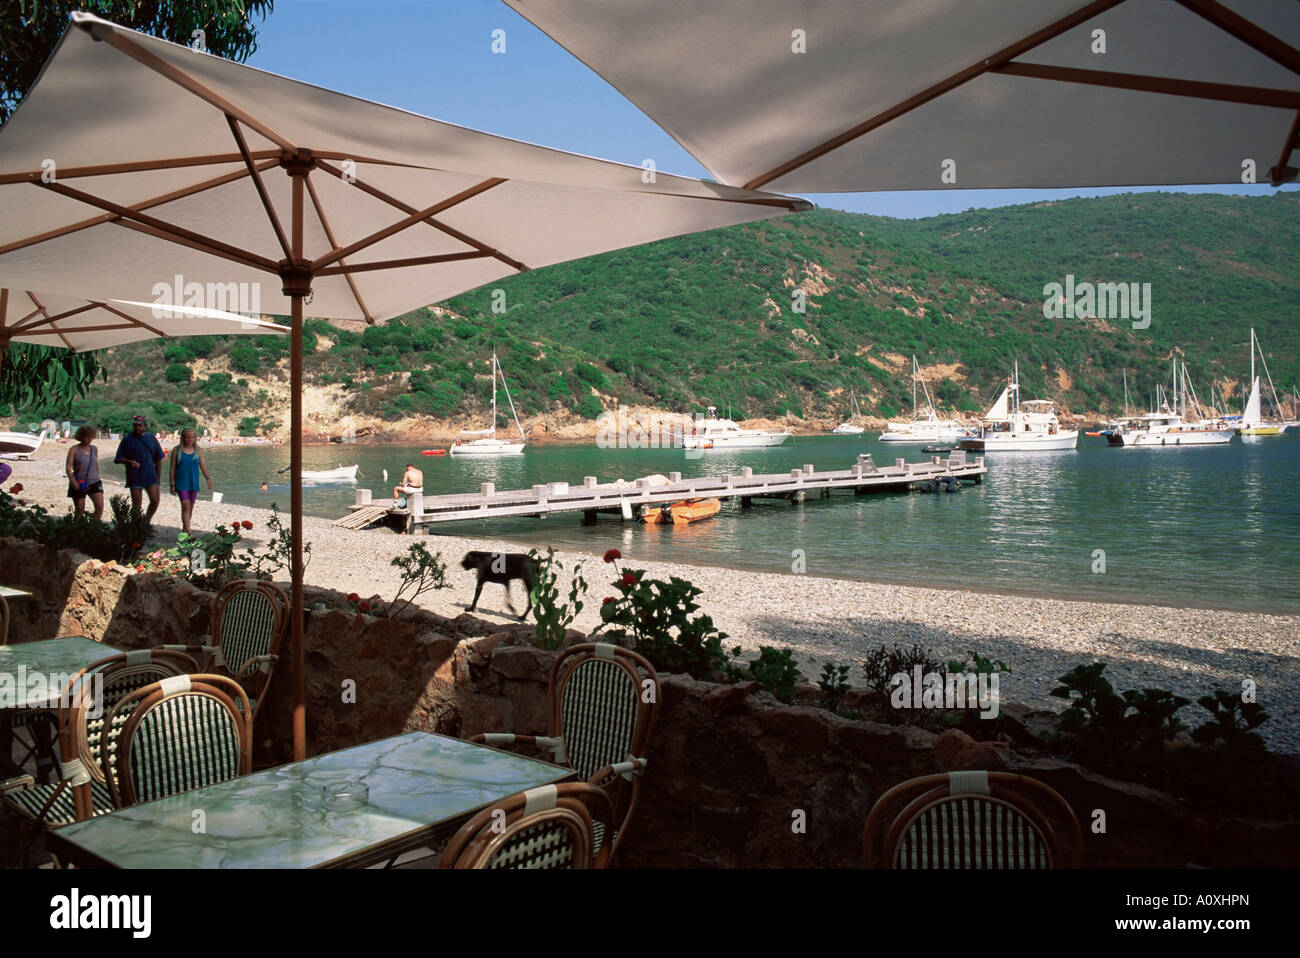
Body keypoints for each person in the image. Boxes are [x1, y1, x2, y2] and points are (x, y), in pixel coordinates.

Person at [114, 415, 165, 521]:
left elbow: (159, 459)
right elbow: (118, 458)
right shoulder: (127, 440)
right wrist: (129, 462)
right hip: (134, 475)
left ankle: (146, 520)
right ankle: (137, 526)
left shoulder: (151, 438)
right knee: (136, 504)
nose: (137, 428)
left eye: (139, 425)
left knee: (155, 500)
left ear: (145, 426)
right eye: (135, 425)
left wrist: (158, 477)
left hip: (150, 474)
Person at [169, 427, 212, 533]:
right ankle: (188, 531)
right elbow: (172, 468)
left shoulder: (198, 451)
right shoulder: (177, 450)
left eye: (192, 437)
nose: (189, 439)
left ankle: (185, 529)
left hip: (193, 483)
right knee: (185, 506)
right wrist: (172, 484)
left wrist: (208, 479)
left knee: (190, 508)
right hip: (181, 483)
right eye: (187, 437)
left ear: (195, 438)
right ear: (183, 437)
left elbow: (203, 466)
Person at [65, 425, 105, 519]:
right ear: (81, 437)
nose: (89, 439)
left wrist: (98, 477)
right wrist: (74, 483)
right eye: (86, 437)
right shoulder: (74, 449)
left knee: (99, 507)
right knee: (79, 509)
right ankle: (78, 529)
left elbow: (95, 464)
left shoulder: (94, 449)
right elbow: (68, 468)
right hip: (79, 481)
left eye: (90, 437)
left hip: (94, 481)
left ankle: (94, 527)